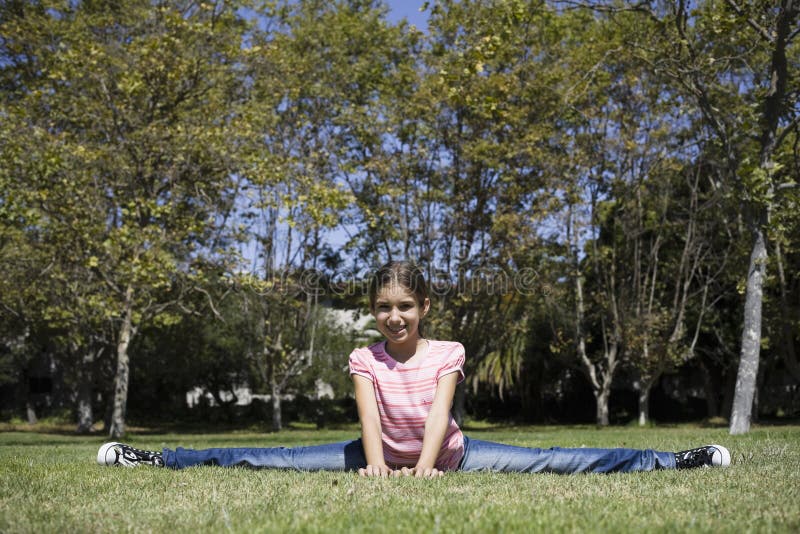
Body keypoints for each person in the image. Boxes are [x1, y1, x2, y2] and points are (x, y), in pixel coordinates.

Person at [97, 261, 731, 476]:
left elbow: (437, 415)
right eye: (382, 308)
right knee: (268, 457)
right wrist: (374, 467)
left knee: (556, 457)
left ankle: (673, 460)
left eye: (404, 307)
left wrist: (425, 471)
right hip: (376, 454)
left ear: (424, 308)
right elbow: (369, 415)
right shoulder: (363, 357)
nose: (394, 318)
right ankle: (151, 457)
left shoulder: (447, 353)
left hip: (450, 455)